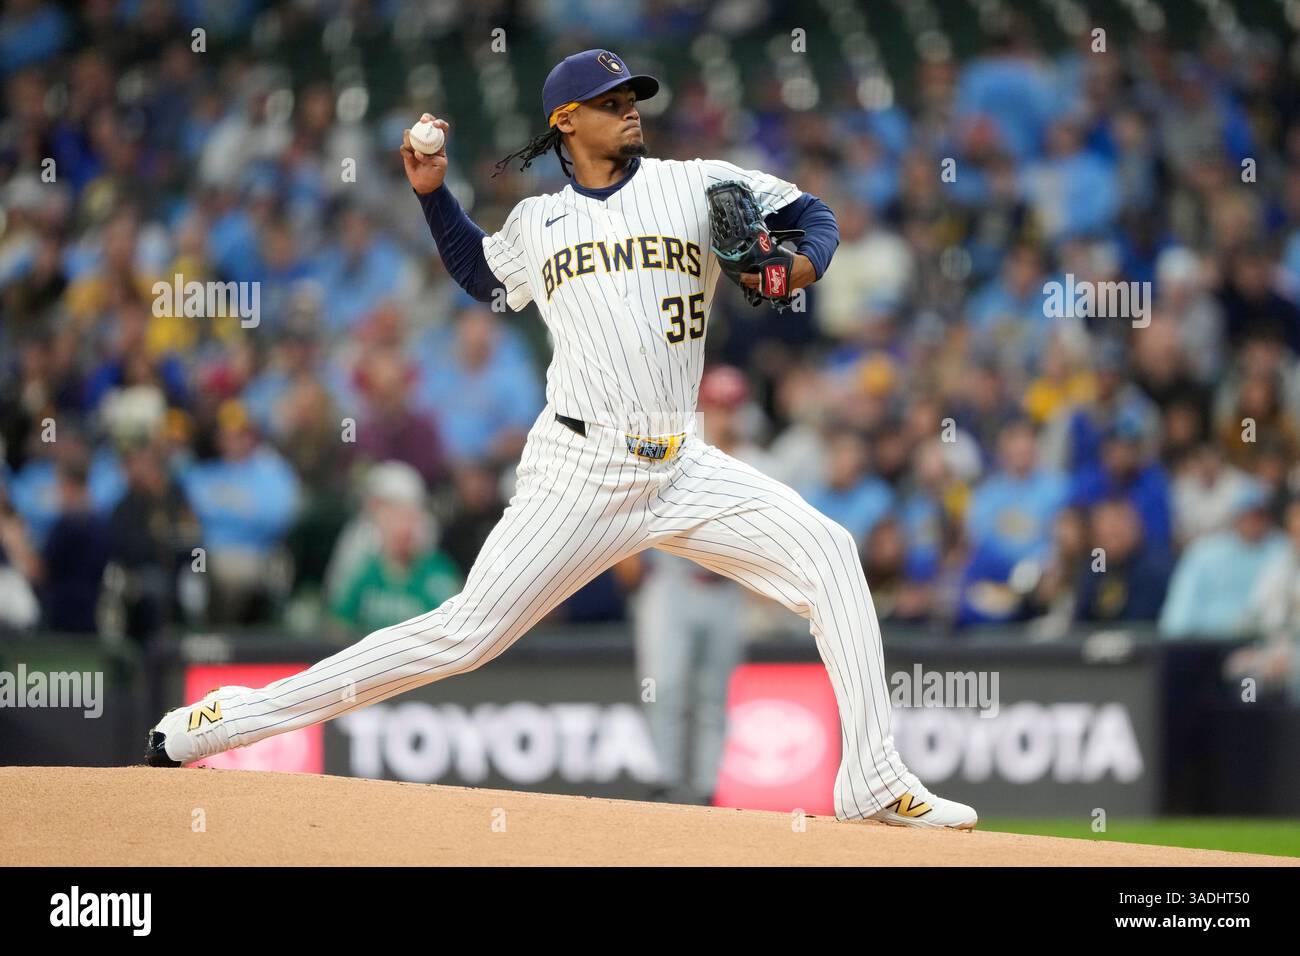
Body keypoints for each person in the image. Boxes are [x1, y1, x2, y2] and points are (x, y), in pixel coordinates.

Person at [146, 50, 977, 830]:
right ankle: (221, 722)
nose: (631, 113)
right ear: (567, 121)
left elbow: (812, 214)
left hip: (682, 463)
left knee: (830, 554)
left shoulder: (699, 183)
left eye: (635, 100)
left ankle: (870, 777)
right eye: (613, 104)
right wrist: (434, 194)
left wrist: (796, 268)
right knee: (462, 635)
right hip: (579, 470)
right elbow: (480, 274)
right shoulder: (539, 220)